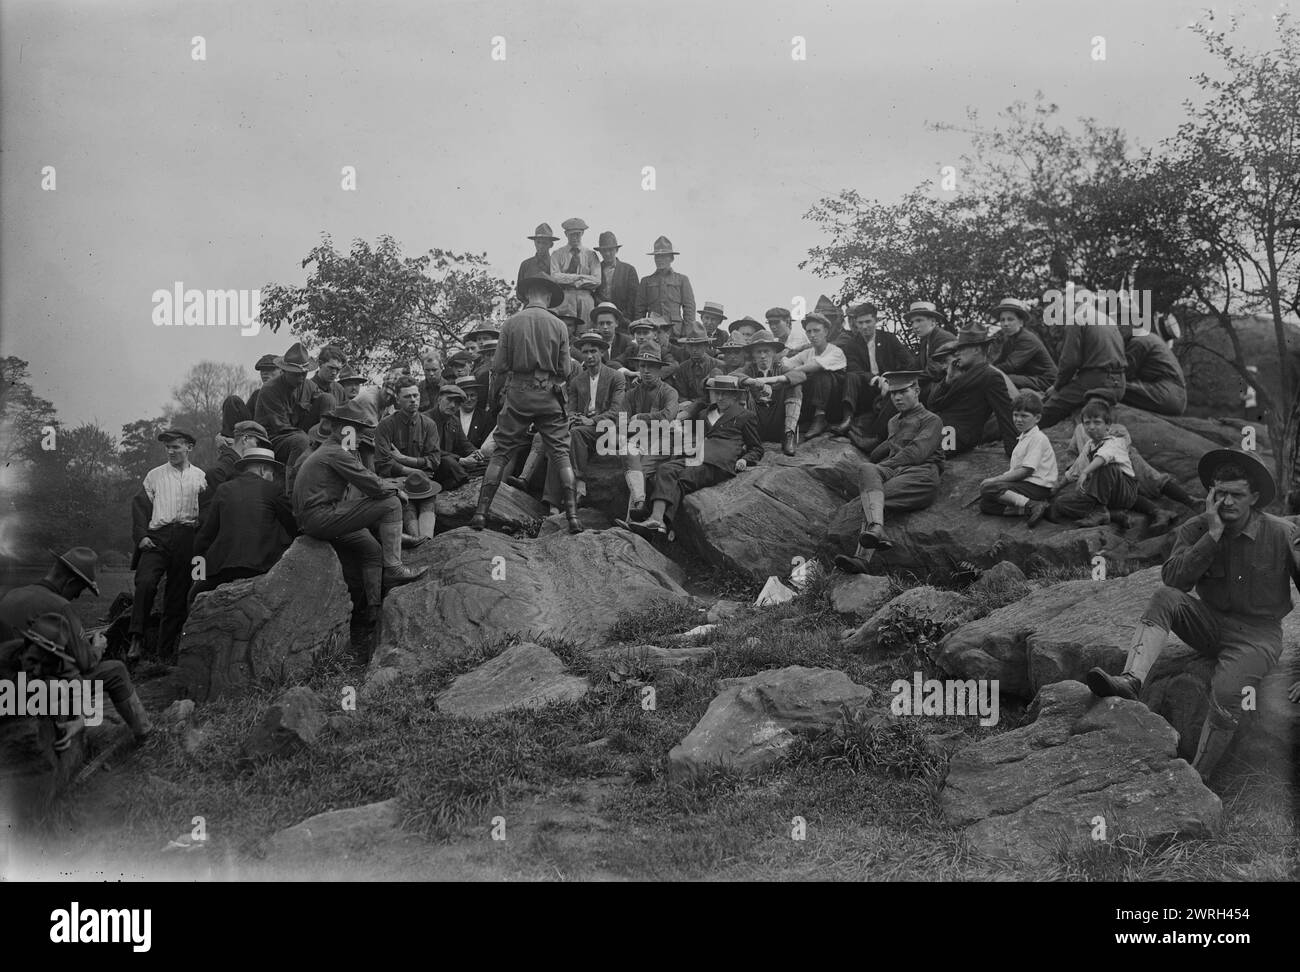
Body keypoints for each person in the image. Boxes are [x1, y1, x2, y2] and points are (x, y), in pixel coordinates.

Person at [1086, 448, 1300, 780]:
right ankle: (1130, 681)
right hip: (1209, 625)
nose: (1226, 503)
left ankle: (1196, 780)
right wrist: (1212, 535)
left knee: (1228, 692)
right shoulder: (1197, 528)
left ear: (1255, 497)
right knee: (1165, 597)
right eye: (1219, 494)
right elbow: (1173, 579)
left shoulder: (1281, 533)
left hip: (1258, 637)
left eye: (1237, 495)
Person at [293, 399, 428, 622]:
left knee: (372, 549)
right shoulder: (336, 452)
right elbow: (372, 485)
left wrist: (388, 487)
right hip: (321, 517)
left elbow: (366, 485)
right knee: (392, 503)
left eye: (357, 431)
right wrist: (397, 488)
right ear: (339, 429)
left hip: (319, 517)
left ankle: (373, 610)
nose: (356, 436)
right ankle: (394, 568)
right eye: (353, 430)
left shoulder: (334, 450)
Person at [0, 549, 152, 742]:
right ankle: (145, 734)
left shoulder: (11, 595)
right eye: (79, 589)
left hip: (8, 686)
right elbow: (86, 663)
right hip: (37, 691)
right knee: (116, 671)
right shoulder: (60, 606)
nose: (77, 596)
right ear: (69, 582)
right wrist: (98, 647)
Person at [473, 272, 582, 533]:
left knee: (501, 453)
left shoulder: (511, 323)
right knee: (560, 453)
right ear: (547, 295)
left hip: (519, 394)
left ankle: (480, 514)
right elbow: (566, 370)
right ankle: (573, 518)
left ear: (528, 293)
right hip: (548, 396)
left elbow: (498, 365)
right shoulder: (559, 326)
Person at [833, 372, 945, 574]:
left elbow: (916, 453)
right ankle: (877, 529)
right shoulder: (893, 420)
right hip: (896, 471)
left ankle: (862, 558)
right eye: (893, 394)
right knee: (866, 469)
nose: (897, 398)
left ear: (917, 391)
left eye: (903, 392)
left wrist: (885, 465)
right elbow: (889, 446)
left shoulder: (932, 420)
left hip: (920, 475)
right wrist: (874, 460)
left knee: (871, 497)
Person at [627, 374, 762, 536]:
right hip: (696, 457)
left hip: (718, 463)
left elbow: (757, 448)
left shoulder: (745, 416)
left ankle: (657, 520)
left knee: (674, 474)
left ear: (735, 395)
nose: (720, 397)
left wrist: (745, 459)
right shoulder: (704, 413)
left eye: (725, 393)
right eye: (717, 392)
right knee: (669, 473)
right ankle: (659, 523)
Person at [128, 429, 206, 660]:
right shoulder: (155, 476)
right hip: (157, 538)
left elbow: (209, 510)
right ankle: (136, 639)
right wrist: (141, 536)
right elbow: (140, 507)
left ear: (188, 447)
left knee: (178, 594)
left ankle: (164, 653)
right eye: (168, 447)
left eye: (176, 447)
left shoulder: (201, 478)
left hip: (187, 538)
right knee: (145, 583)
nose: (171, 451)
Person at [190, 447, 296, 604]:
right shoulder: (273, 490)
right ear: (263, 469)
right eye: (272, 473)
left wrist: (198, 576)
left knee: (193, 597)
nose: (272, 478)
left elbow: (205, 537)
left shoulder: (223, 489)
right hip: (261, 566)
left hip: (222, 568)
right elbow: (293, 526)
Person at [541, 331, 626, 510]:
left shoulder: (615, 377)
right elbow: (571, 409)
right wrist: (574, 417)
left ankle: (579, 481)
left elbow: (616, 411)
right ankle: (552, 503)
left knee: (574, 434)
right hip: (583, 428)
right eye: (585, 352)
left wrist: (593, 421)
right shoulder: (577, 380)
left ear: (602, 352)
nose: (589, 356)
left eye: (593, 351)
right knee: (557, 444)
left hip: (606, 428)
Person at [1043, 398, 1139, 528]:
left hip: (1123, 492)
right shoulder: (1089, 445)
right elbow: (1076, 469)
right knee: (1061, 503)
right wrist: (1056, 489)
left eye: (1097, 422)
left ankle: (1100, 511)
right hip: (1102, 495)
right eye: (1087, 423)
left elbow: (1104, 456)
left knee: (1105, 465)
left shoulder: (1115, 441)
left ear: (1108, 425)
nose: (1091, 427)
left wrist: (1085, 472)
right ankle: (1111, 514)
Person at [1040, 289, 1128, 428]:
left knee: (1046, 408)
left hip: (1096, 381)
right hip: (1120, 384)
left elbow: (1069, 362)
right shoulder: (1107, 319)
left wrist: (1056, 386)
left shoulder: (1076, 319)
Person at [927, 326, 1019, 457]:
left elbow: (1005, 415)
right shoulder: (960, 373)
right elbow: (933, 404)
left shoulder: (990, 376)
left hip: (955, 438)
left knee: (909, 455)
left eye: (961, 349)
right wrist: (949, 379)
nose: (957, 353)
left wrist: (1015, 452)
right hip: (939, 431)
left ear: (976, 349)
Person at [831, 301, 916, 436]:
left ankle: (877, 434)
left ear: (875, 320)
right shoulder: (852, 344)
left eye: (868, 321)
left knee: (892, 397)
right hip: (866, 388)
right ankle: (847, 419)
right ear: (855, 323)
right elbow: (854, 368)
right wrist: (876, 379)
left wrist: (890, 380)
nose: (864, 327)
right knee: (851, 376)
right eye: (860, 323)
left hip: (889, 386)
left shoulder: (889, 339)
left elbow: (909, 362)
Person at [613, 347, 679, 518]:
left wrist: (640, 417)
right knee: (628, 451)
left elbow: (667, 416)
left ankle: (633, 518)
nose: (646, 371)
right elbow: (622, 420)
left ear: (659, 369)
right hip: (638, 439)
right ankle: (639, 503)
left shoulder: (668, 392)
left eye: (651, 366)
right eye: (642, 366)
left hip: (662, 441)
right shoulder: (631, 394)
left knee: (638, 469)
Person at [376, 379, 446, 540]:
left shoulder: (429, 425)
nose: (413, 400)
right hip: (396, 479)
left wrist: (403, 459)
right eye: (407, 396)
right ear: (398, 400)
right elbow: (383, 462)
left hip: (422, 481)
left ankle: (427, 541)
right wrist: (413, 470)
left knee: (428, 502)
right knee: (406, 503)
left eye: (416, 395)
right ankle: (417, 540)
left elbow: (434, 460)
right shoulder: (386, 425)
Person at [762, 312, 846, 438]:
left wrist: (793, 373)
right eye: (809, 331)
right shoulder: (808, 353)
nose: (812, 335)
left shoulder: (835, 351)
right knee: (795, 379)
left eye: (816, 331)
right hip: (814, 400)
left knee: (821, 375)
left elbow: (816, 365)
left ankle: (819, 418)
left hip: (834, 403)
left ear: (826, 332)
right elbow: (787, 364)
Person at [979, 391, 1058, 520]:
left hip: (1037, 487)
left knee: (990, 488)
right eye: (1015, 415)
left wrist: (996, 480)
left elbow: (1026, 470)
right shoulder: (1023, 437)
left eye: (1024, 416)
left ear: (1037, 418)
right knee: (986, 505)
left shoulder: (1038, 438)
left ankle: (1032, 505)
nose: (1018, 420)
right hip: (1025, 485)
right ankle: (1034, 509)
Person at [255, 341, 327, 472]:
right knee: (301, 441)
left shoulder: (309, 386)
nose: (301, 378)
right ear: (284, 371)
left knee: (327, 399)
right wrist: (311, 438)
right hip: (274, 439)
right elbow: (281, 427)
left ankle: (327, 437)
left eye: (303, 374)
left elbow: (323, 403)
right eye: (296, 374)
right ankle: (292, 486)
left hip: (300, 432)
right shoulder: (270, 389)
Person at [736, 329, 801, 455]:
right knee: (741, 387)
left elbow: (800, 375)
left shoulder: (781, 368)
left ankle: (789, 435)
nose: (763, 356)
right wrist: (754, 382)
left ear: (774, 352)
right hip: (755, 421)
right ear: (753, 355)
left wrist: (772, 379)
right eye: (758, 352)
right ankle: (745, 439)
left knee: (795, 385)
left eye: (766, 351)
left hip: (777, 421)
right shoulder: (749, 369)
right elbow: (733, 375)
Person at [201, 420, 272, 524]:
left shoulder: (236, 463)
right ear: (245, 439)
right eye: (258, 443)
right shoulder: (226, 466)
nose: (259, 449)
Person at [989, 298, 1057, 392]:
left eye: (1010, 319)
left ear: (1021, 322)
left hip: (1046, 380)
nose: (1005, 324)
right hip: (1029, 377)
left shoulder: (1026, 339)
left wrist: (987, 372)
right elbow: (999, 361)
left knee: (1003, 379)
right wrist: (985, 368)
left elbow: (1010, 365)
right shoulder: (1009, 341)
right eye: (1002, 320)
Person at [635, 236, 696, 339]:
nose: (660, 260)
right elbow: (639, 310)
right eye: (657, 257)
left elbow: (689, 308)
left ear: (671, 258)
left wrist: (687, 333)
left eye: (664, 256)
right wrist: (640, 332)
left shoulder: (682, 280)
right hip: (652, 331)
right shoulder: (646, 281)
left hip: (676, 332)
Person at [662, 321, 724, 417]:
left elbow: (715, 396)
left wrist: (693, 406)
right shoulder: (682, 368)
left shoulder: (718, 365)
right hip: (687, 409)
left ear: (706, 346)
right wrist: (685, 403)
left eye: (698, 345)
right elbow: (681, 394)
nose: (694, 350)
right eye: (691, 346)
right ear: (686, 347)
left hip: (711, 410)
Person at [431, 383, 488, 487]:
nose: (453, 405)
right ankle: (465, 480)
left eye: (457, 403)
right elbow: (432, 450)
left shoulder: (454, 421)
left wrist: (475, 453)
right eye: (449, 400)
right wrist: (461, 460)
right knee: (449, 461)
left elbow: (464, 443)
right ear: (439, 400)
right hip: (433, 464)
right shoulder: (427, 420)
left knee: (486, 462)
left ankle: (455, 480)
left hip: (451, 464)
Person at [1123, 328, 1187, 416]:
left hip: (1165, 394)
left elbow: (1123, 374)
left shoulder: (1139, 341)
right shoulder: (1151, 339)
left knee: (1115, 387)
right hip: (1177, 398)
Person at [550, 217, 601, 323]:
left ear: (582, 233)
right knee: (566, 328)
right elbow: (555, 277)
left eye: (577, 234)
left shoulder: (591, 255)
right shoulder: (557, 254)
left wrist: (566, 278)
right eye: (571, 234)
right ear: (565, 234)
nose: (575, 237)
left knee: (585, 329)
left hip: (585, 296)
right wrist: (579, 278)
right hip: (565, 296)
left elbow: (597, 280)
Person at [903, 301, 958, 400]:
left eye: (919, 320)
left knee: (905, 394)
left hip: (948, 387)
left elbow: (934, 371)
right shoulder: (926, 339)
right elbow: (916, 367)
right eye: (912, 322)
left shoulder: (943, 338)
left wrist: (905, 382)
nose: (915, 326)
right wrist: (899, 378)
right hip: (935, 385)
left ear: (933, 322)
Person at [595, 231, 639, 321]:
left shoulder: (629, 270)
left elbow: (633, 298)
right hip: (601, 318)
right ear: (600, 252)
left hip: (623, 319)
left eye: (610, 250)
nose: (607, 254)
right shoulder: (595, 270)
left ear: (616, 250)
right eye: (604, 250)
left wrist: (625, 318)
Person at [517, 222, 557, 302]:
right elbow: (519, 292)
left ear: (551, 245)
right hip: (529, 308)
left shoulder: (556, 265)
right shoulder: (526, 265)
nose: (541, 246)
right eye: (538, 242)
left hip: (551, 309)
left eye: (544, 243)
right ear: (534, 243)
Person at [245, 353, 281, 418]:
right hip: (260, 427)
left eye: (270, 369)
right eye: (262, 370)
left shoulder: (290, 394)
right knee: (232, 401)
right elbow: (246, 418)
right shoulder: (256, 395)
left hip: (284, 427)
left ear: (281, 371)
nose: (265, 373)